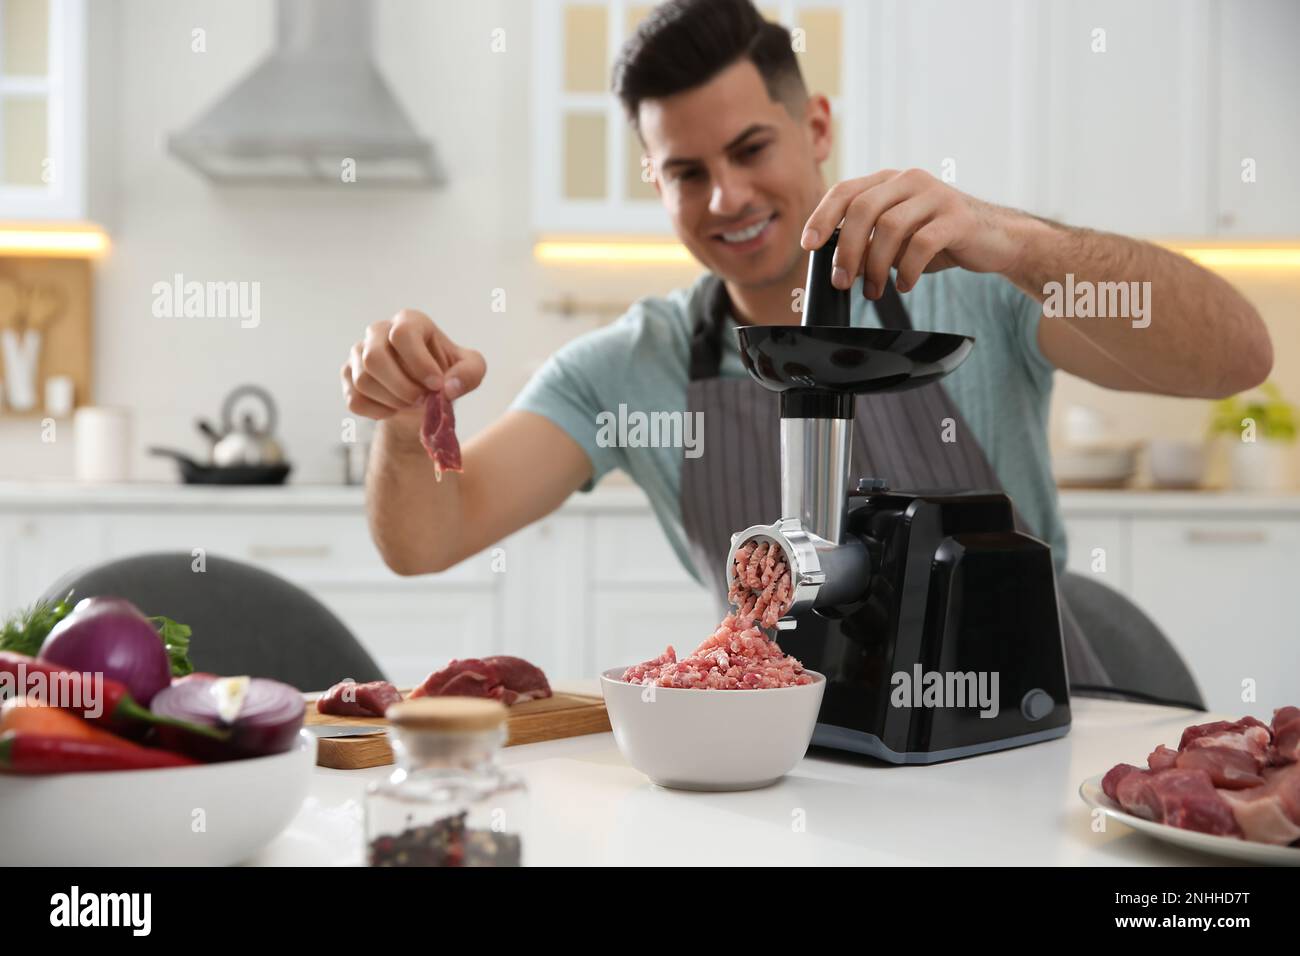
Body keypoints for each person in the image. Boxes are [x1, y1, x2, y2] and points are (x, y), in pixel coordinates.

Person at [341, 0, 1270, 689]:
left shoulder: (975, 287)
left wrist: (1019, 241)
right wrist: (404, 419)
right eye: (687, 172)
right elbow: (429, 539)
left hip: (1028, 730)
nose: (727, 198)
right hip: (790, 759)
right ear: (656, 183)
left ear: (816, 126)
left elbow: (1237, 357)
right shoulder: (628, 369)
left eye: (751, 150)